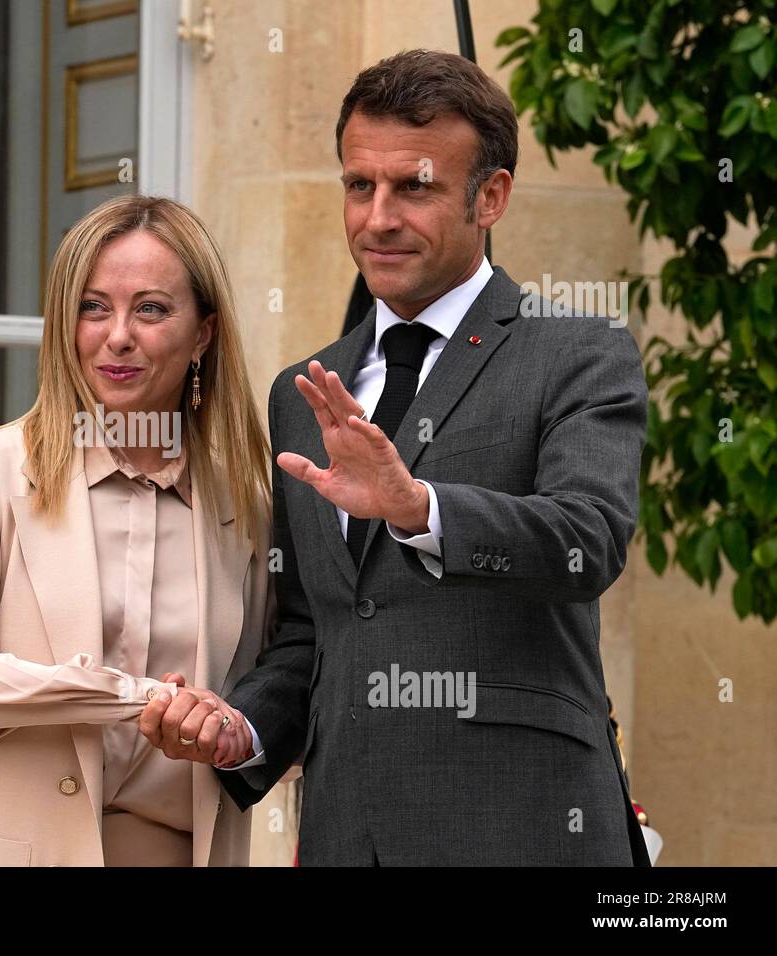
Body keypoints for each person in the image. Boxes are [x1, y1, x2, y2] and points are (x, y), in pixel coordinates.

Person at [141, 49, 653, 866]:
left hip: (524, 830)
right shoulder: (304, 392)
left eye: (413, 186)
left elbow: (585, 541)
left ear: (492, 196)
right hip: (349, 834)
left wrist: (420, 509)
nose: (377, 217)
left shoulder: (578, 352)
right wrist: (237, 729)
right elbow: (315, 627)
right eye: (358, 185)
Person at [0, 195, 273, 866]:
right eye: (93, 307)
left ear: (204, 334)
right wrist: (130, 697)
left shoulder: (245, 505)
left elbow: (273, 701)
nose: (117, 335)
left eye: (151, 309)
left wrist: (227, 730)